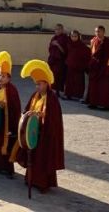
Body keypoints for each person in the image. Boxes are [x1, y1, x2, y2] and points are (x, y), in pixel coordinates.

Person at [15, 60, 64, 193]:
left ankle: (43, 183)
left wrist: (40, 115)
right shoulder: (35, 96)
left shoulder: (52, 99)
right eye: (36, 84)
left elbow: (53, 119)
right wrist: (27, 115)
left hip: (46, 135)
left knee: (43, 158)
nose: (37, 87)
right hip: (33, 133)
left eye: (40, 84)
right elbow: (27, 110)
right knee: (33, 157)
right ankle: (30, 179)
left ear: (47, 84)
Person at [86, 25, 109, 110]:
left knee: (104, 87)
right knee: (93, 86)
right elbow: (91, 54)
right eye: (96, 31)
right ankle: (93, 103)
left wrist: (108, 69)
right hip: (94, 66)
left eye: (99, 31)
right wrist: (90, 64)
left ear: (103, 32)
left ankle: (105, 105)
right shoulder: (93, 41)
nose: (97, 33)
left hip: (104, 67)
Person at [64, 30, 91, 101]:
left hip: (79, 67)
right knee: (69, 81)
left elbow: (87, 53)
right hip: (70, 65)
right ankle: (68, 95)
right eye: (72, 36)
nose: (73, 38)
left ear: (78, 37)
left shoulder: (81, 45)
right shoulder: (69, 44)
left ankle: (78, 96)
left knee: (78, 82)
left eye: (75, 36)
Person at [47, 24, 70, 97]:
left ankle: (58, 91)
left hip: (60, 61)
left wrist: (57, 45)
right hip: (53, 60)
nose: (57, 31)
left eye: (59, 29)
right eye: (56, 29)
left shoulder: (65, 38)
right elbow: (50, 49)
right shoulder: (54, 38)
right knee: (52, 75)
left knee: (58, 76)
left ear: (62, 30)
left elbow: (64, 51)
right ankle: (51, 90)